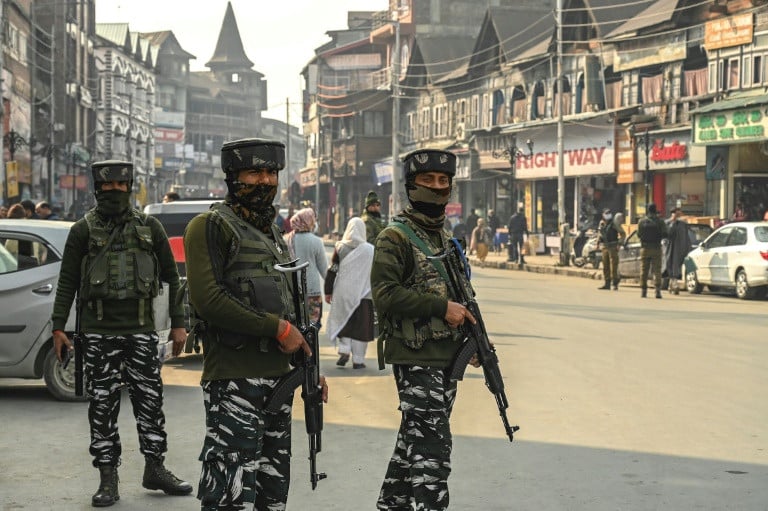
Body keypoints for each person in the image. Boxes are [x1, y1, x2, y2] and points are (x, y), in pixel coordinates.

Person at [183, 138, 328, 511]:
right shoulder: (210, 227)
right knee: (229, 496)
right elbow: (209, 300)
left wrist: (309, 368)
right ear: (233, 177)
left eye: (271, 173)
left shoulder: (274, 236)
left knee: (272, 495)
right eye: (254, 172)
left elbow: (290, 308)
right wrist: (277, 330)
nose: (264, 181)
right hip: (235, 382)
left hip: (279, 384)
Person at [50, 160, 192, 507]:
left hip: (141, 333)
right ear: (97, 189)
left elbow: (174, 278)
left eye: (121, 186)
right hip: (98, 334)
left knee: (150, 403)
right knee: (102, 405)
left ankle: (155, 468)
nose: (115, 191)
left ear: (130, 186)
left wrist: (179, 322)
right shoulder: (82, 230)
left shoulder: (150, 227)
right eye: (108, 187)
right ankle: (108, 478)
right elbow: (67, 279)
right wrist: (57, 326)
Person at [371, 148, 477, 510]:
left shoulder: (444, 240)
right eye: (427, 180)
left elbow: (463, 297)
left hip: (447, 359)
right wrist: (439, 308)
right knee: (433, 453)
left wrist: (475, 342)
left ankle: (391, 506)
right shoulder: (394, 237)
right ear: (411, 185)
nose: (436, 187)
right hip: (416, 357)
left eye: (443, 181)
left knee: (412, 444)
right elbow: (384, 294)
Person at [326, 217, 375, 369]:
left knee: (344, 321)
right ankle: (358, 360)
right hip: (364, 294)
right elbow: (376, 273)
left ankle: (344, 349)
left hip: (343, 292)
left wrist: (328, 291)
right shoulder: (370, 250)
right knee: (361, 326)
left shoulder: (339, 247)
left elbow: (332, 270)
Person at [284, 207, 328, 325]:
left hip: (290, 292)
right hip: (312, 294)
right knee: (312, 329)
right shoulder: (316, 242)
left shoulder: (286, 240)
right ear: (309, 221)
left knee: (295, 327)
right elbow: (324, 271)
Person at [637, 203, 669, 298]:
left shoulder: (641, 221)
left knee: (644, 270)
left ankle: (643, 291)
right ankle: (657, 291)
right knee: (657, 270)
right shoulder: (660, 221)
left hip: (645, 248)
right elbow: (665, 234)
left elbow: (639, 234)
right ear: (655, 210)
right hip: (656, 248)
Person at [596, 208, 626, 290]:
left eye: (609, 213)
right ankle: (607, 283)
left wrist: (619, 243)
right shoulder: (602, 223)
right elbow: (600, 234)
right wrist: (597, 243)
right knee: (605, 266)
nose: (607, 215)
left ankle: (615, 283)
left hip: (613, 246)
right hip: (605, 246)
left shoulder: (614, 223)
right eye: (606, 213)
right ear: (603, 215)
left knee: (613, 266)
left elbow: (623, 234)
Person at [665, 207, 689, 295]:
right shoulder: (667, 223)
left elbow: (686, 237)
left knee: (677, 265)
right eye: (676, 214)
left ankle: (672, 283)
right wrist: (673, 222)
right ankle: (673, 284)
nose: (678, 216)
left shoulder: (683, 224)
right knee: (671, 265)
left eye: (679, 214)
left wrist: (687, 248)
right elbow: (668, 234)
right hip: (670, 248)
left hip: (680, 248)